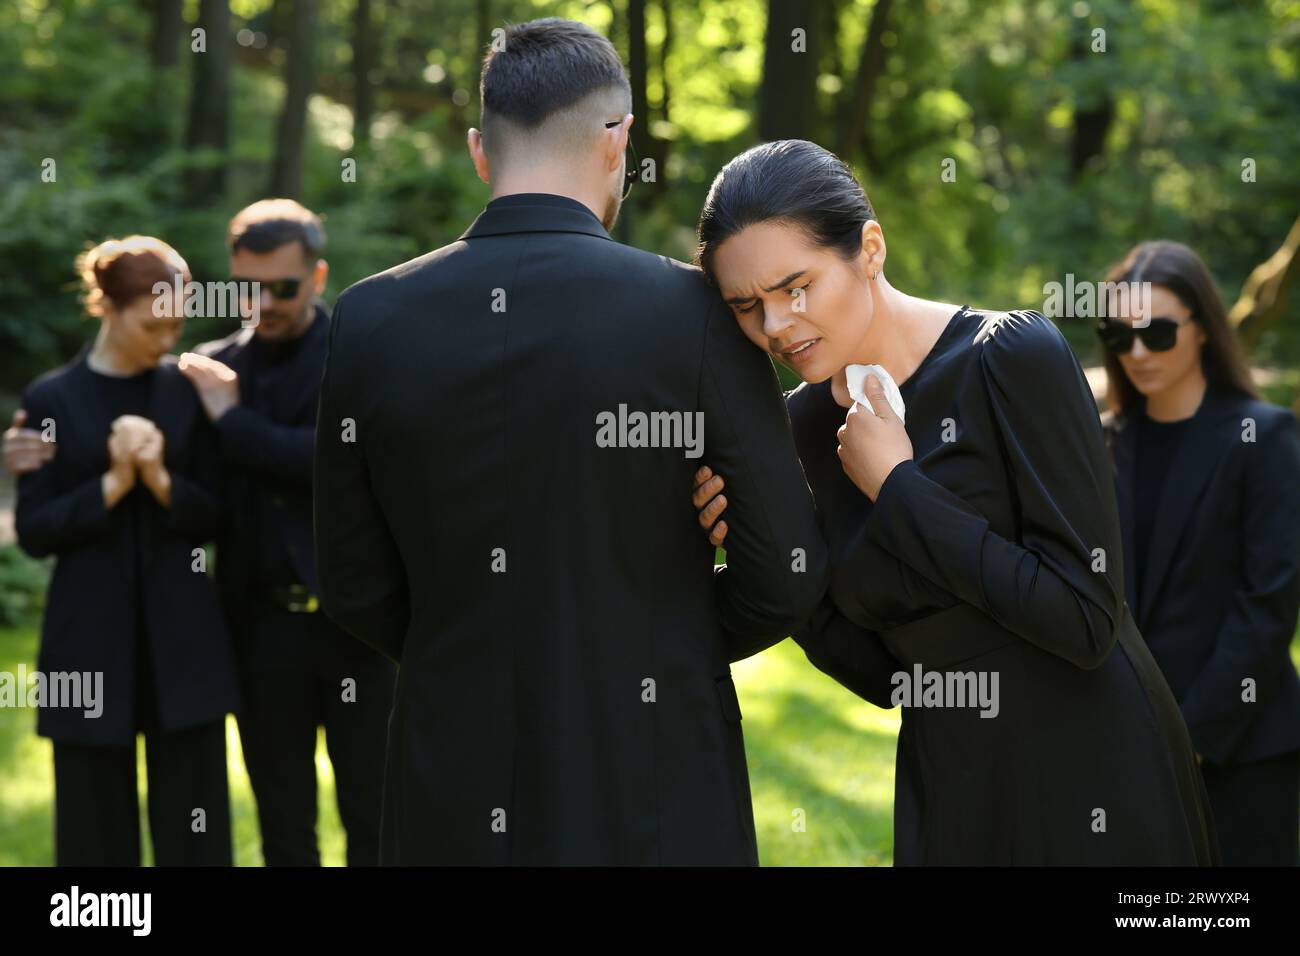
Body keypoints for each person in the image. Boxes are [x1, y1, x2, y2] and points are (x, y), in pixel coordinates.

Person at [313, 18, 827, 865]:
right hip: (657, 768)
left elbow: (351, 579)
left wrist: (478, 645)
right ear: (618, 138)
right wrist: (663, 644)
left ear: (482, 150)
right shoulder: (695, 312)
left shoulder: (370, 317)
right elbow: (788, 573)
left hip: (454, 771)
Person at [691, 140, 1219, 864]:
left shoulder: (1010, 358)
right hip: (952, 787)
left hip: (1094, 773)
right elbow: (887, 678)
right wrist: (777, 551)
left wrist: (900, 488)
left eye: (796, 286)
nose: (777, 324)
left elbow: (1087, 618)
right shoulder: (799, 430)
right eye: (747, 306)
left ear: (869, 249)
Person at [5, 202, 397, 867]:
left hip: (276, 631)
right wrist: (76, 468)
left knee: (342, 818)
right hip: (173, 632)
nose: (168, 336)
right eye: (250, 287)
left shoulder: (228, 384)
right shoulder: (111, 391)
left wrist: (189, 454)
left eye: (283, 285)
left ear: (317, 276)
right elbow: (42, 520)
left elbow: (277, 485)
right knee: (247, 821)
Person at [14, 236, 238, 865]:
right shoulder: (51, 400)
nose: (167, 340)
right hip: (87, 642)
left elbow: (219, 515)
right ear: (109, 307)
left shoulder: (186, 392)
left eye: (177, 324)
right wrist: (112, 485)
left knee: (195, 830)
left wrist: (161, 480)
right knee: (93, 837)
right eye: (153, 324)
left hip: (184, 641)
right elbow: (34, 530)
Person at [1097, 240, 1300, 865]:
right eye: (1118, 334)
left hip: (1243, 753)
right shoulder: (1101, 445)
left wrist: (1191, 737)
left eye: (1157, 333)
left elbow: (1267, 608)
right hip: (1122, 754)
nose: (1135, 353)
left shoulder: (1265, 439)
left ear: (1204, 329)